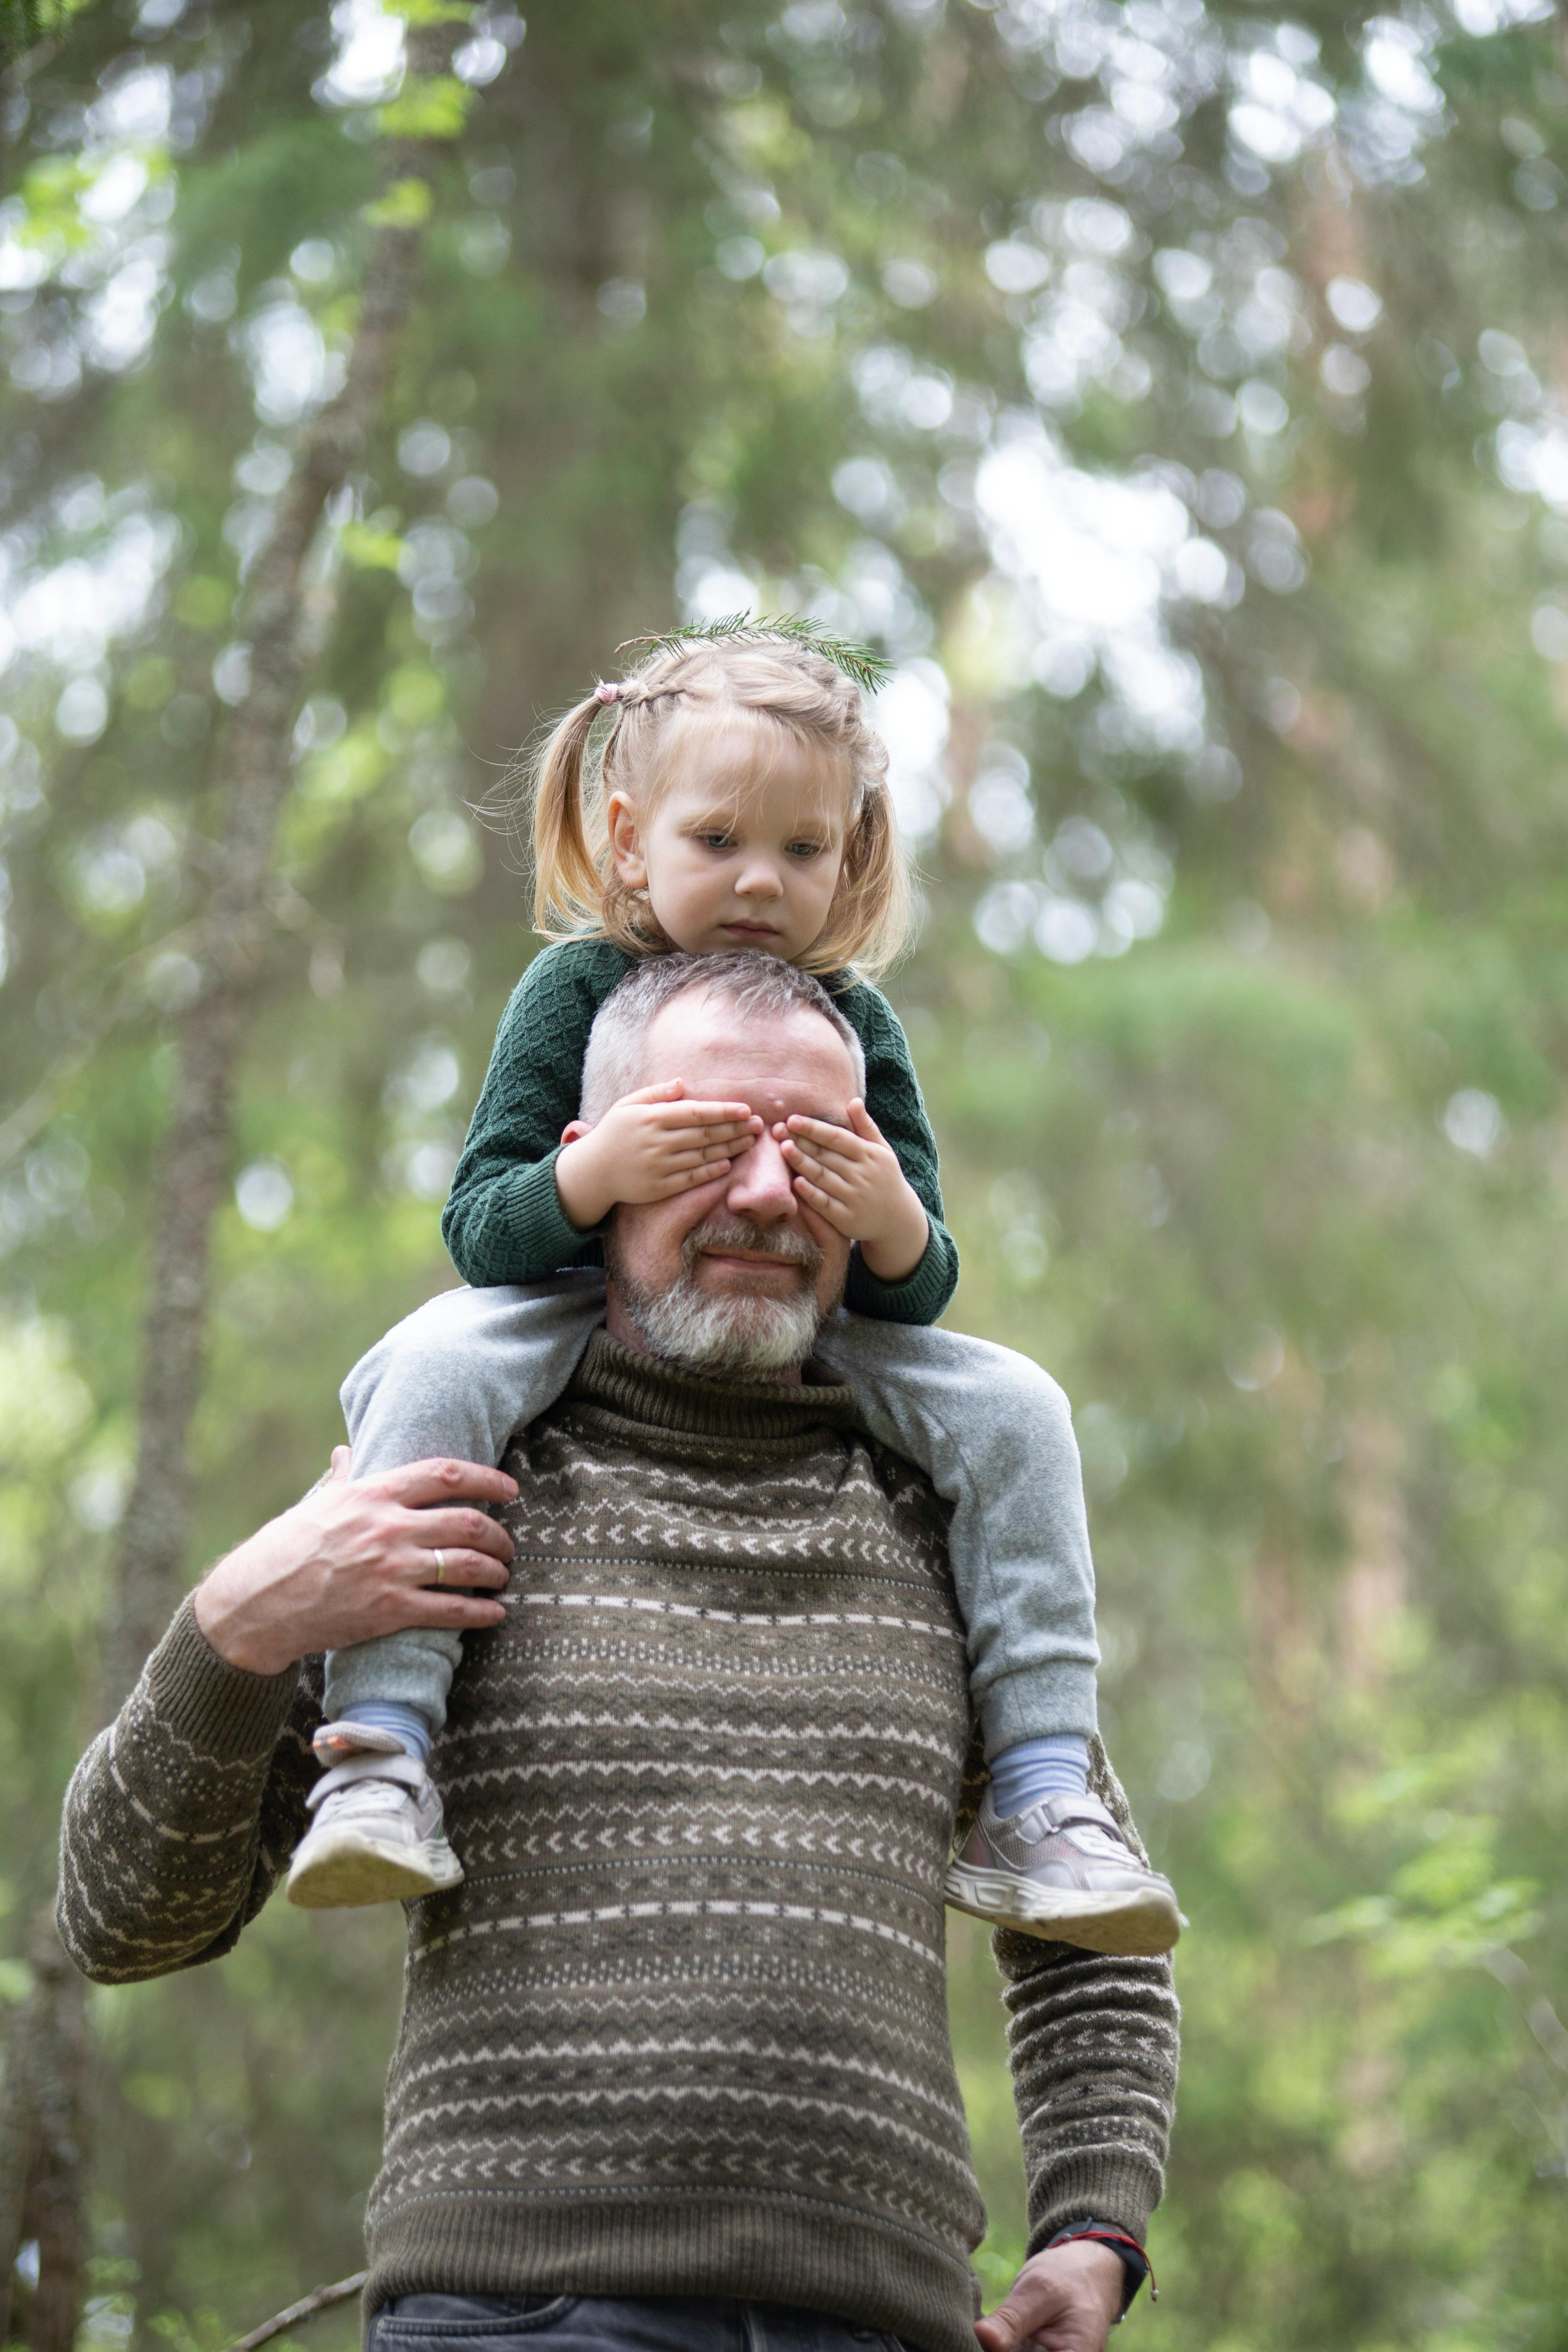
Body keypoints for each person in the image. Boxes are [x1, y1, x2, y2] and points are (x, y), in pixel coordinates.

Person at [56, 957, 1180, 2352]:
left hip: (885, 2319)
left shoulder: (947, 1519)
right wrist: (240, 1622)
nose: (765, 1197)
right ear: (592, 1174)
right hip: (510, 2310)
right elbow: (123, 1922)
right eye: (705, 1144)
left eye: (815, 1156)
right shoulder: (448, 1491)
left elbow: (1089, 1927)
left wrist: (1094, 2226)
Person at [288, 622, 1180, 1960]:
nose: (762, 880)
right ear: (630, 837)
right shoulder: (573, 987)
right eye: (719, 841)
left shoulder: (857, 1020)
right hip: (582, 1298)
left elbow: (919, 1290)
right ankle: (379, 1752)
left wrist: (889, 1219)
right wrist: (596, 1178)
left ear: (851, 855)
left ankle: (1046, 1792)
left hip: (802, 1312)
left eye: (803, 850)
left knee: (1018, 1406)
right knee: (426, 1364)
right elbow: (481, 1229)